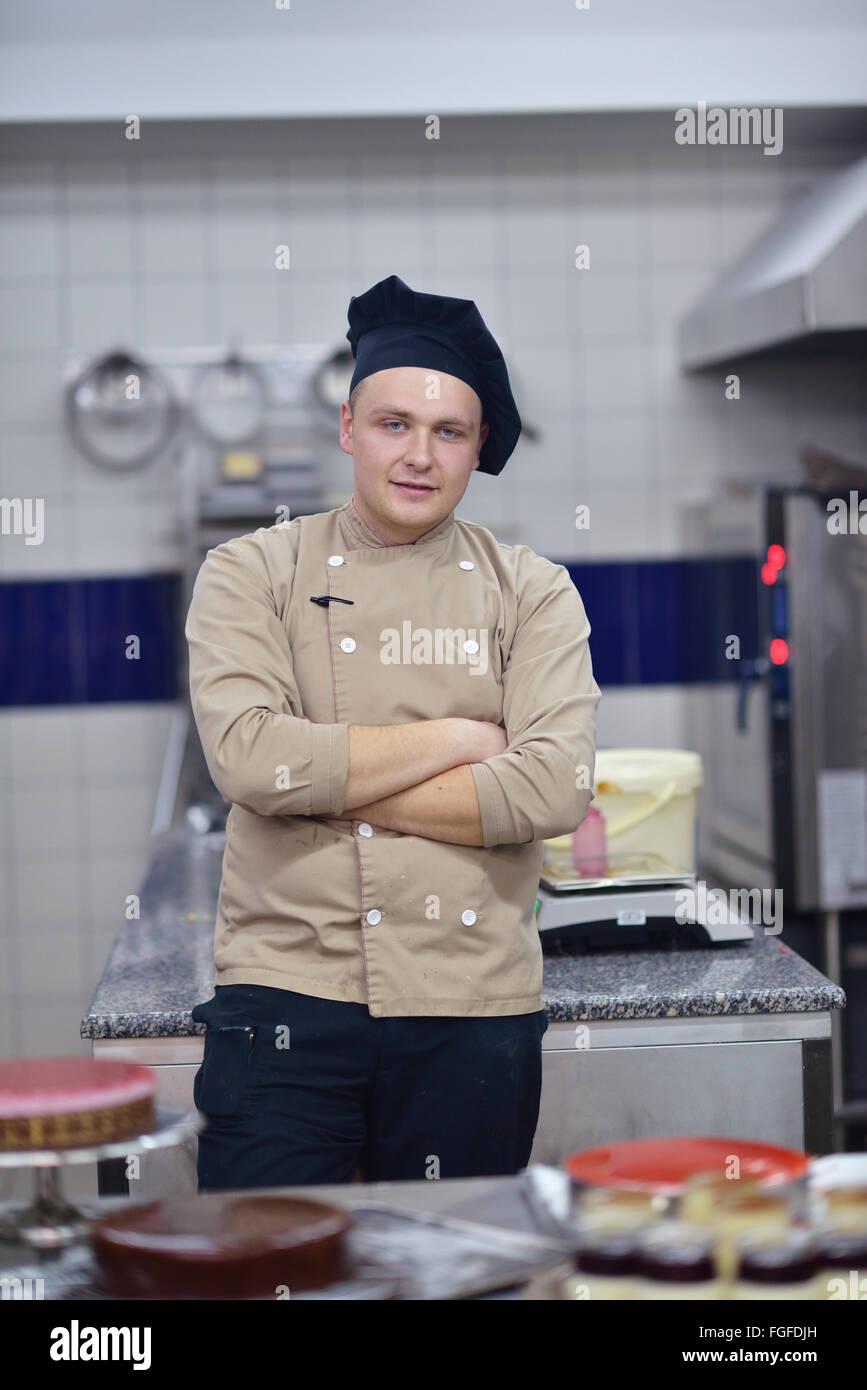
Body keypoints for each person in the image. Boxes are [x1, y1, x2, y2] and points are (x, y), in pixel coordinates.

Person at [185, 273, 601, 1189]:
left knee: (453, 1276)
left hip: (473, 1011)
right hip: (283, 999)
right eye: (393, 424)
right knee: (270, 1272)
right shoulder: (249, 570)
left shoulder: (531, 589)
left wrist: (327, 778)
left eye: (448, 430)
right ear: (347, 428)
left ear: (477, 444)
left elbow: (550, 788)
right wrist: (461, 737)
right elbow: (251, 759)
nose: (419, 454)